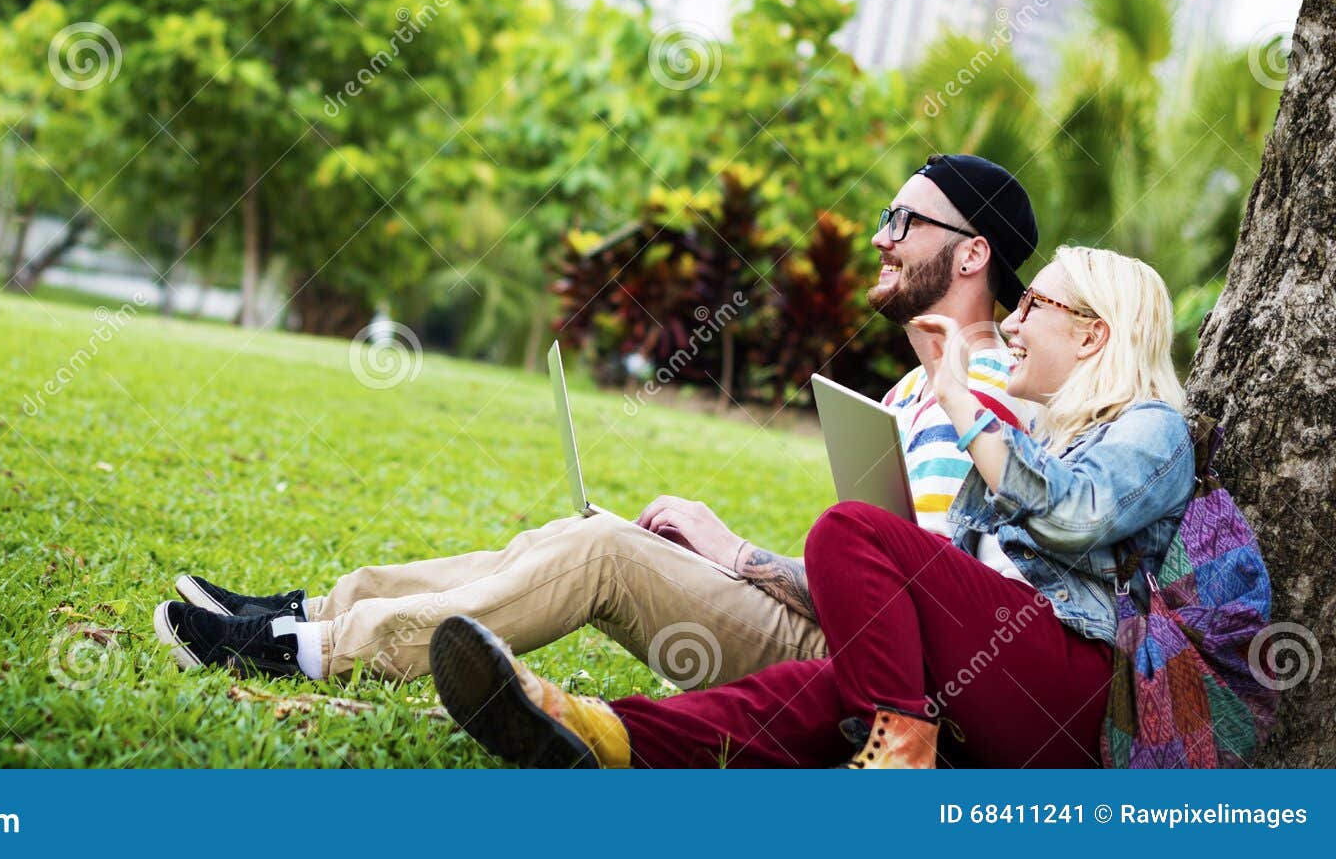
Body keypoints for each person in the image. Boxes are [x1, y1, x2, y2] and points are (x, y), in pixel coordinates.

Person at [152, 154, 1038, 690]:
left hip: (867, 677)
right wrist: (729, 556)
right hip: (839, 635)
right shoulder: (908, 394)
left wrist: (734, 555)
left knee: (603, 554)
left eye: (902, 220)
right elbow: (870, 572)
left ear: (970, 253)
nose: (881, 238)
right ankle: (312, 612)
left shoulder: (985, 397)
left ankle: (312, 653)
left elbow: (921, 609)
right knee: (585, 530)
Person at [430, 245, 1196, 770]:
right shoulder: (1040, 435)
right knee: (814, 696)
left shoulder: (1151, 428)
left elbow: (1077, 518)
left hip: (1072, 696)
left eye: (1034, 304)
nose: (1015, 322)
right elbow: (965, 567)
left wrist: (961, 398)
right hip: (981, 693)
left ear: (1093, 334)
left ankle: (895, 761)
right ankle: (600, 732)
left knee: (851, 529)